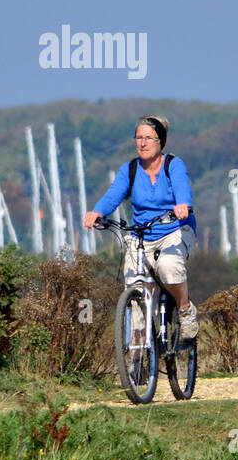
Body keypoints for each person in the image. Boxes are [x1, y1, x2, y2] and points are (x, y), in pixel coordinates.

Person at [83, 115, 199, 339]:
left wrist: (183, 205)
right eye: (139, 138)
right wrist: (97, 212)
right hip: (141, 235)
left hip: (174, 231)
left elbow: (182, 187)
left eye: (148, 138)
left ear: (160, 141)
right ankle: (136, 359)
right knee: (134, 286)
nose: (142, 143)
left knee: (168, 267)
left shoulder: (173, 165)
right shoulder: (130, 170)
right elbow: (113, 194)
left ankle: (185, 310)